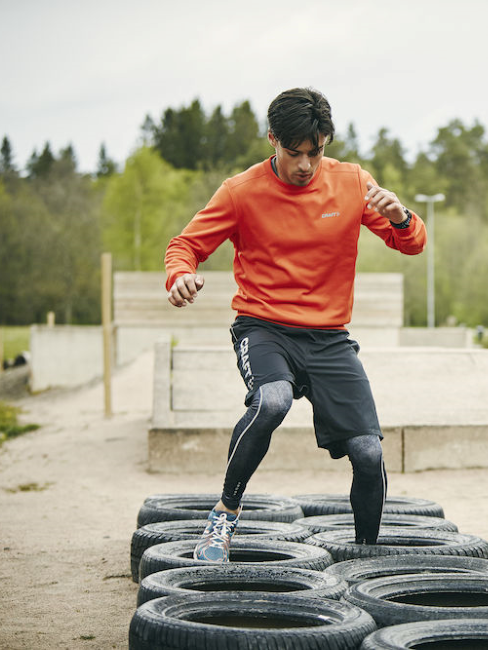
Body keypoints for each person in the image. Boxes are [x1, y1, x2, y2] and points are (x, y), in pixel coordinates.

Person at [164, 87, 427, 561]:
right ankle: (223, 517)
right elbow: (185, 245)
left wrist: (401, 217)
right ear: (272, 140)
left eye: (315, 152)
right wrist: (180, 274)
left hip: (328, 338)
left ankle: (366, 558)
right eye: (294, 153)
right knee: (273, 400)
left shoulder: (352, 182)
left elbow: (411, 244)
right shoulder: (240, 192)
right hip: (263, 327)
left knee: (369, 453)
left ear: (325, 142)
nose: (305, 164)